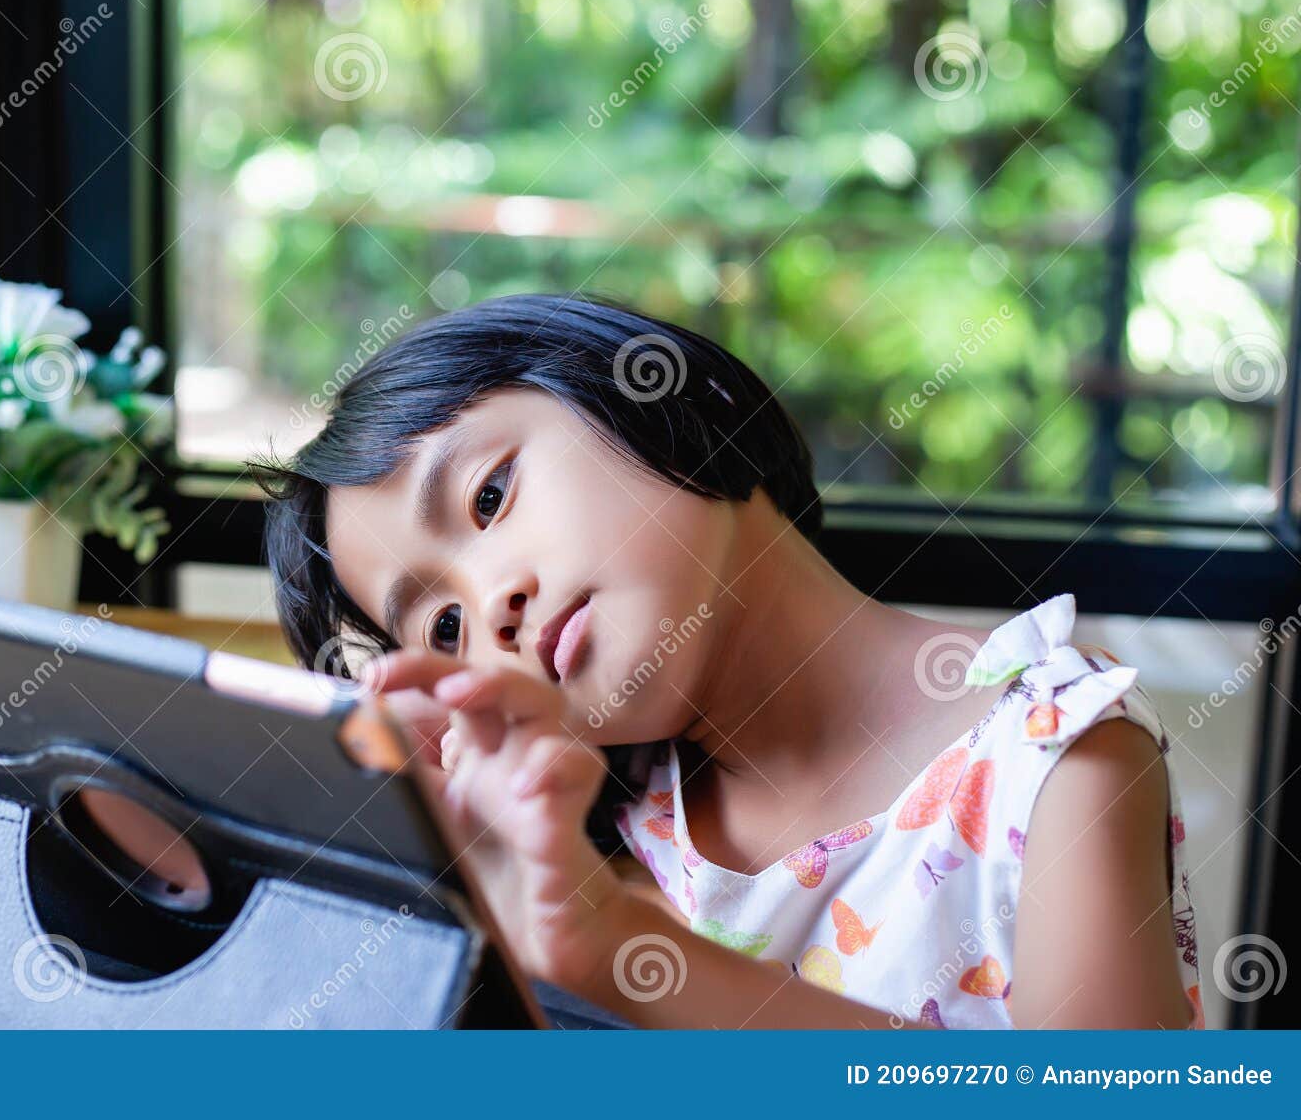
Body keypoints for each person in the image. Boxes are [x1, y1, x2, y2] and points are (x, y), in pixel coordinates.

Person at [256, 293, 1201, 1029]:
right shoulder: (607, 856)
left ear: (646, 390)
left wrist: (611, 941)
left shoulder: (1060, 761)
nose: (493, 605)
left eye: (490, 494)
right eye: (447, 630)